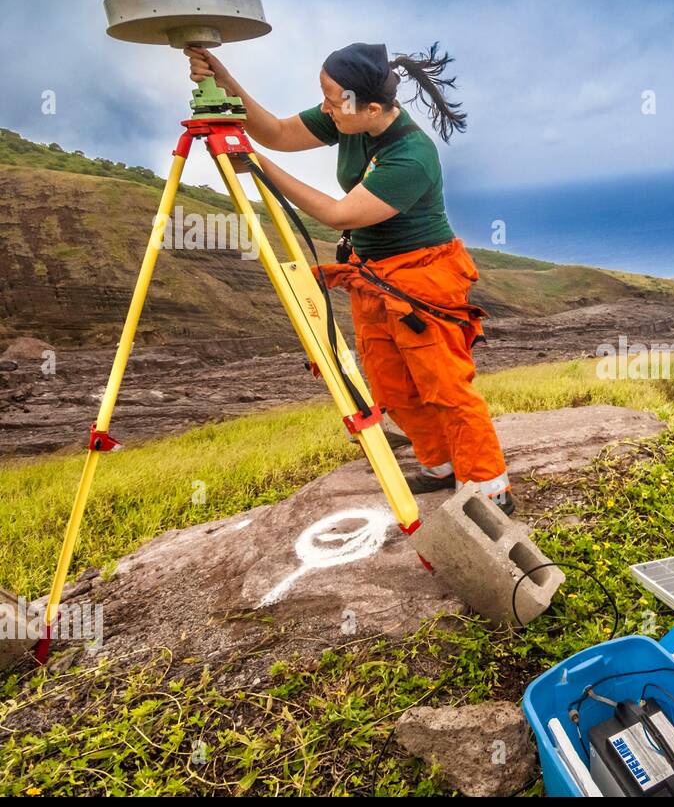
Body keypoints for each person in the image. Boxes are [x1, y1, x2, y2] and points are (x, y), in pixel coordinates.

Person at [185, 41, 514, 514]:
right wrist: (226, 81)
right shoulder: (349, 115)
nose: (324, 109)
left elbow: (341, 214)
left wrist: (256, 167)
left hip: (423, 278)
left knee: (444, 385)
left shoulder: (412, 155)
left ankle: (489, 486)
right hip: (373, 277)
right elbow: (276, 131)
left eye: (331, 101)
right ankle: (439, 463)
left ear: (372, 107)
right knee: (389, 385)